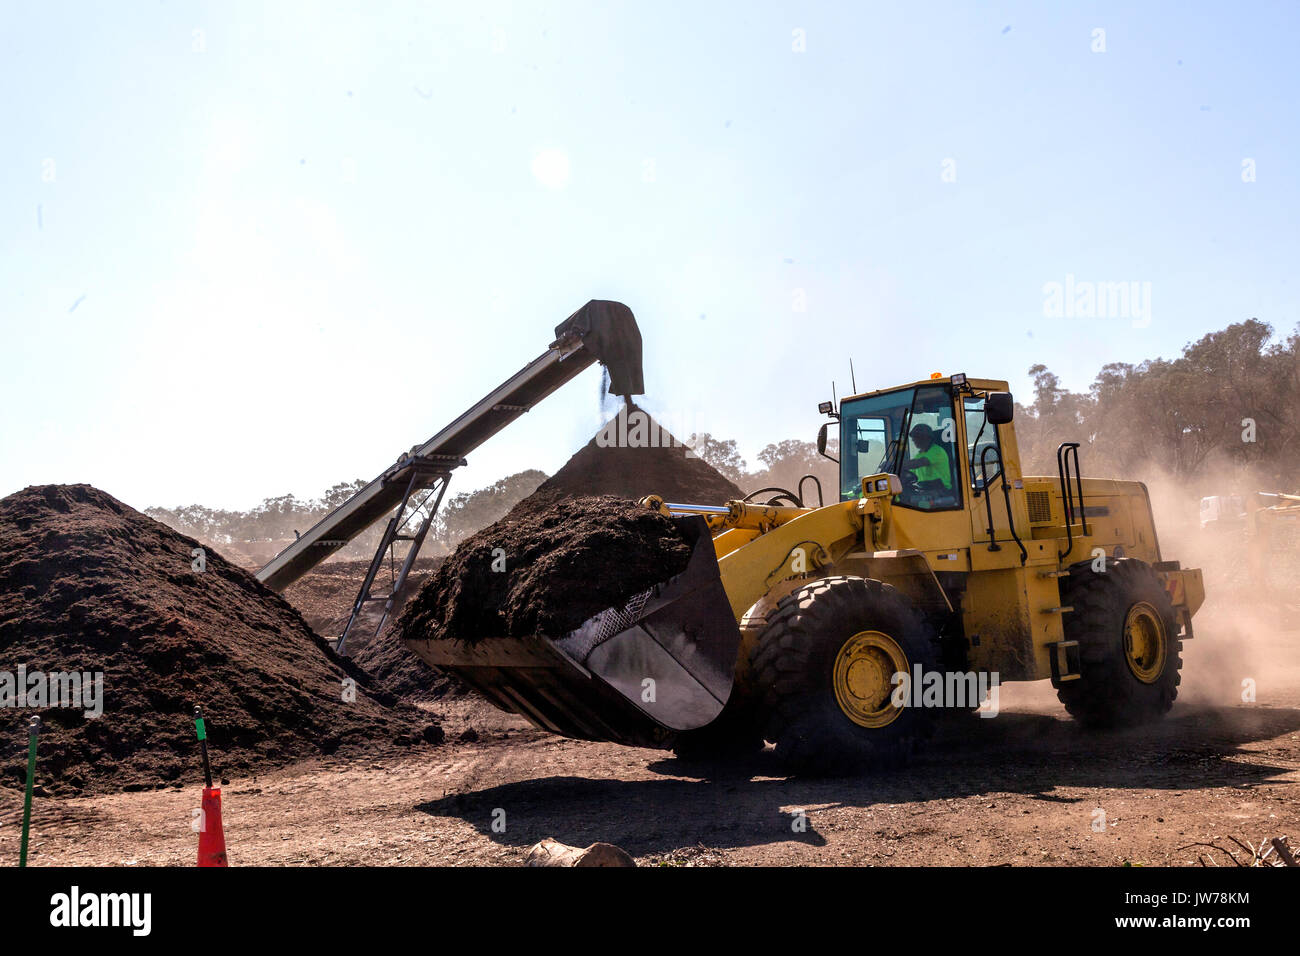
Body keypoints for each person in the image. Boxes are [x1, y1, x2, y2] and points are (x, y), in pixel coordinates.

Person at [904, 424, 953, 493]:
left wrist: (898, 465)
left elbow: (920, 462)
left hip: (942, 491)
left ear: (927, 437)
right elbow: (911, 473)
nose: (913, 440)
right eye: (914, 437)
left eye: (917, 436)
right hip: (925, 490)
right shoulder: (918, 455)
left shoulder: (937, 451)